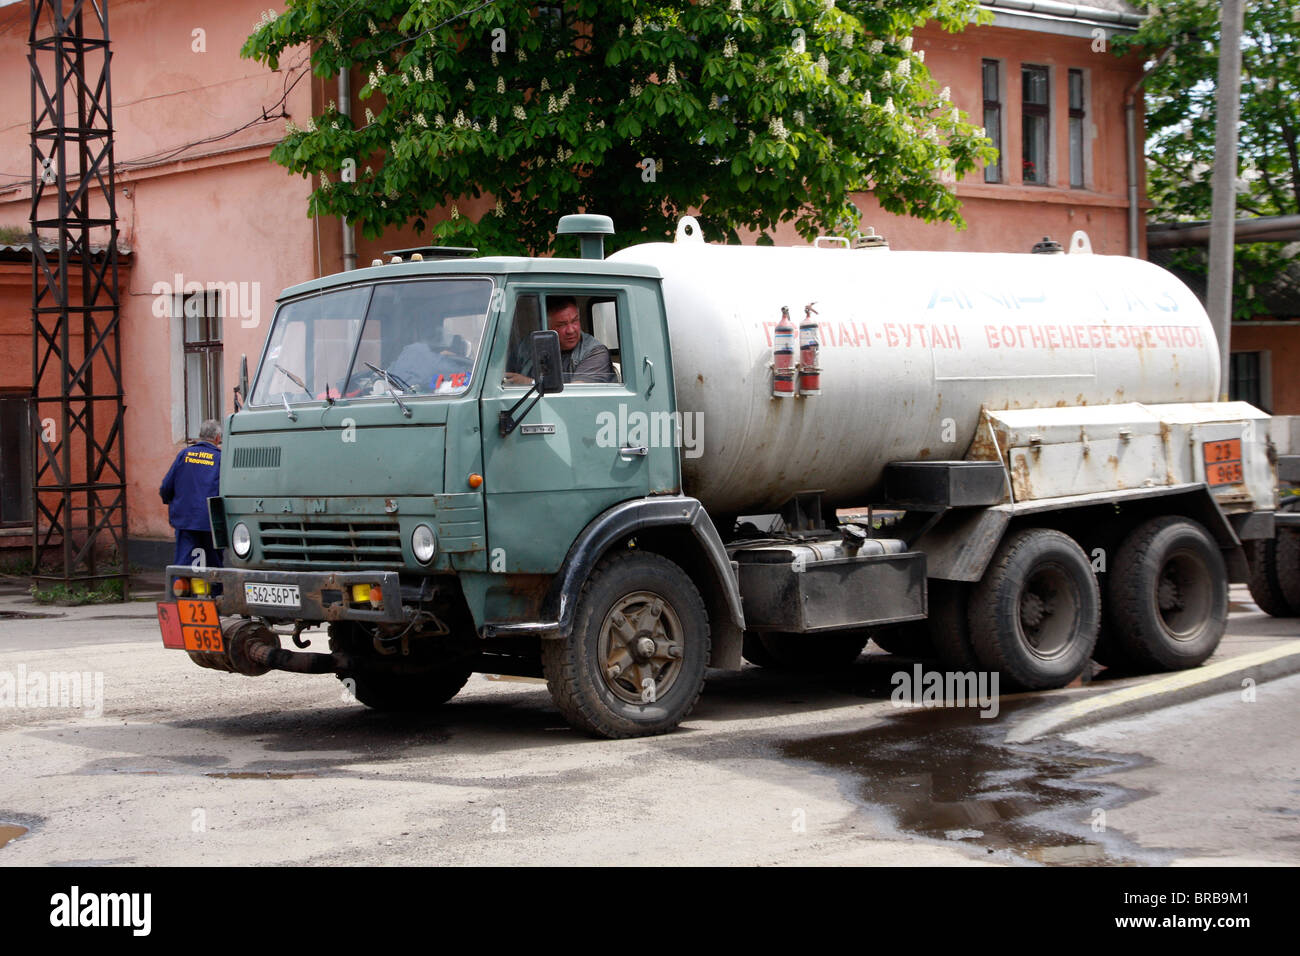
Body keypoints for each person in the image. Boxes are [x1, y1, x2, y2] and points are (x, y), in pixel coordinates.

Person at [505, 296, 616, 385]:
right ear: (546, 327)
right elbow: (505, 376)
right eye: (562, 324)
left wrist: (530, 383)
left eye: (575, 321)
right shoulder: (527, 347)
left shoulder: (595, 352)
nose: (571, 330)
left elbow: (576, 395)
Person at [160, 419, 224, 571]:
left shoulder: (184, 454)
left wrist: (169, 501)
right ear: (217, 438)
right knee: (213, 565)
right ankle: (215, 593)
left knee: (183, 562)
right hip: (210, 522)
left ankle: (180, 592)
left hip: (185, 519)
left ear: (200, 436)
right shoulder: (220, 458)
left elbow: (166, 486)